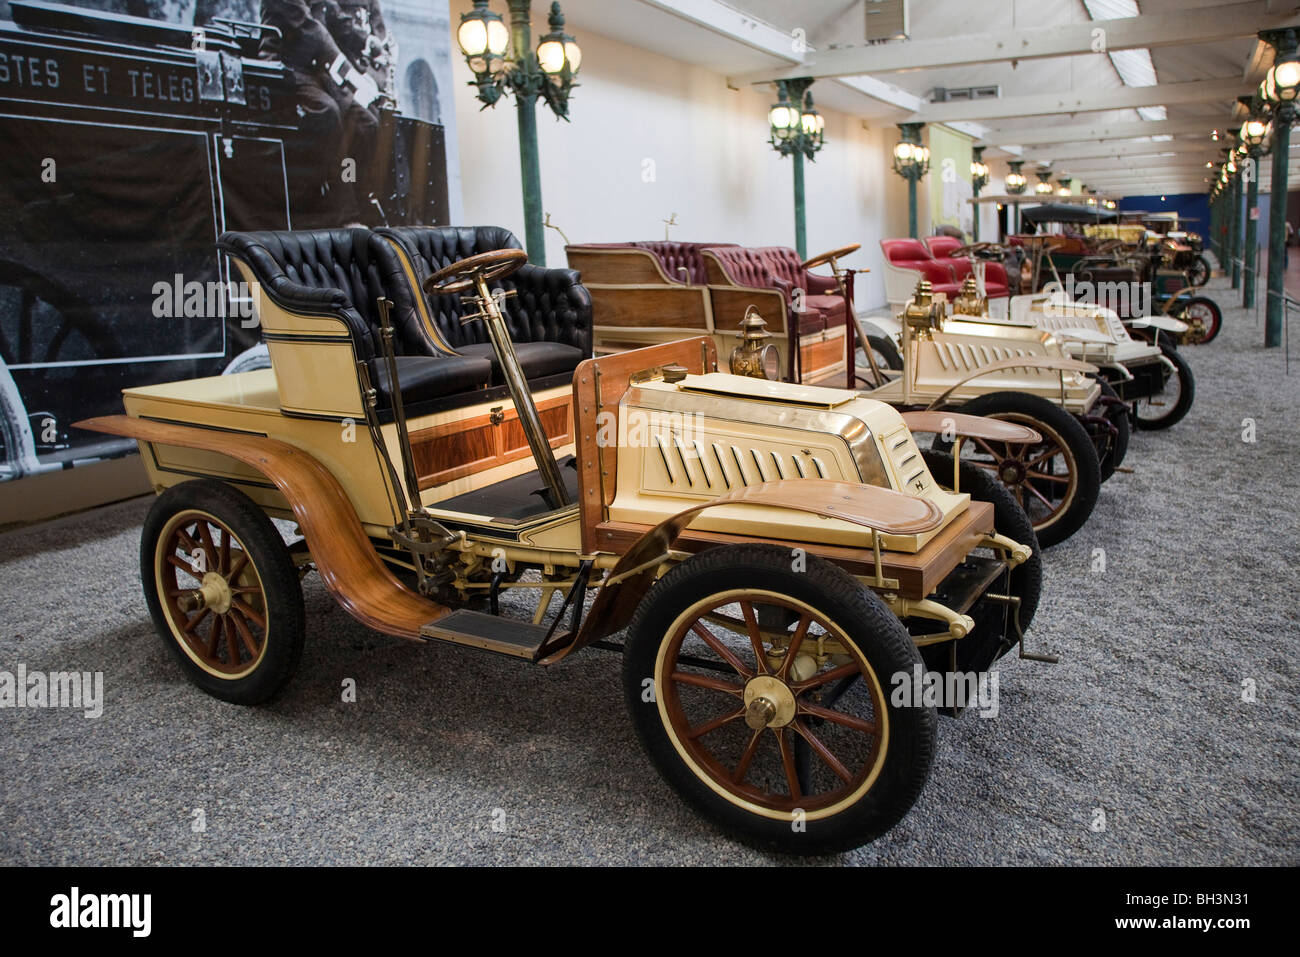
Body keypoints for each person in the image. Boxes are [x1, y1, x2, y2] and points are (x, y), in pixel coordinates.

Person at [259, 0, 384, 224]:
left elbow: (334, 15)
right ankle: (338, 209)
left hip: (316, 73)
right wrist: (350, 74)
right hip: (287, 69)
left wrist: (366, 40)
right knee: (328, 112)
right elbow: (311, 29)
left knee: (364, 124)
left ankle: (354, 190)